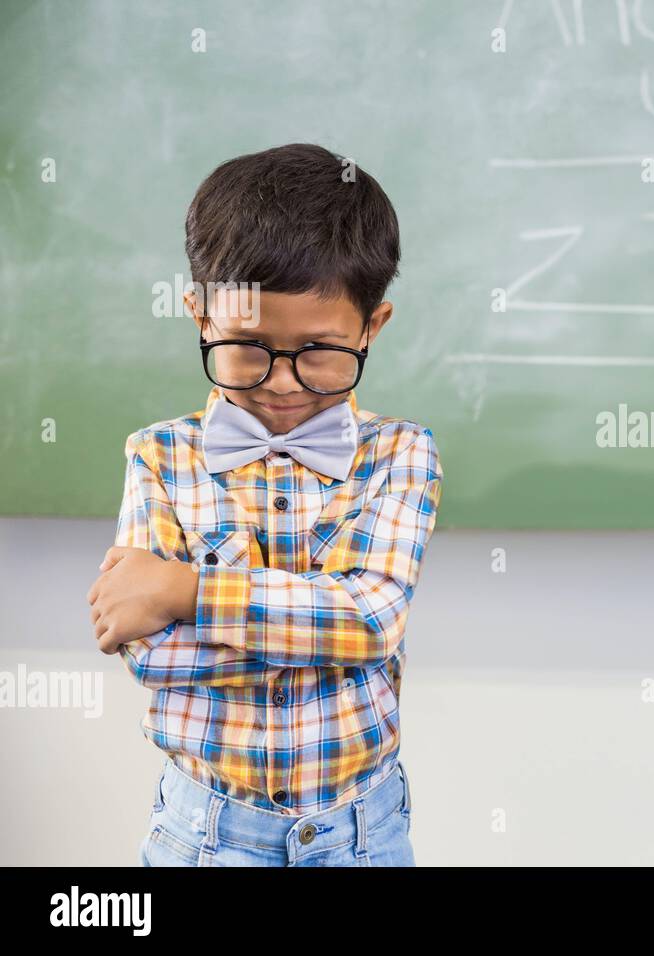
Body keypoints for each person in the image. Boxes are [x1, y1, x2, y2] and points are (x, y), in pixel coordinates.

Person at [86, 143, 441, 866]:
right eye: (248, 347)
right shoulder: (158, 456)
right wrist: (321, 634)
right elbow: (148, 654)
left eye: (320, 351)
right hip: (204, 833)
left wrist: (186, 590)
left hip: (360, 834)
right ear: (200, 314)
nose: (283, 382)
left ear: (372, 327)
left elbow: (371, 618)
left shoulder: (402, 454)